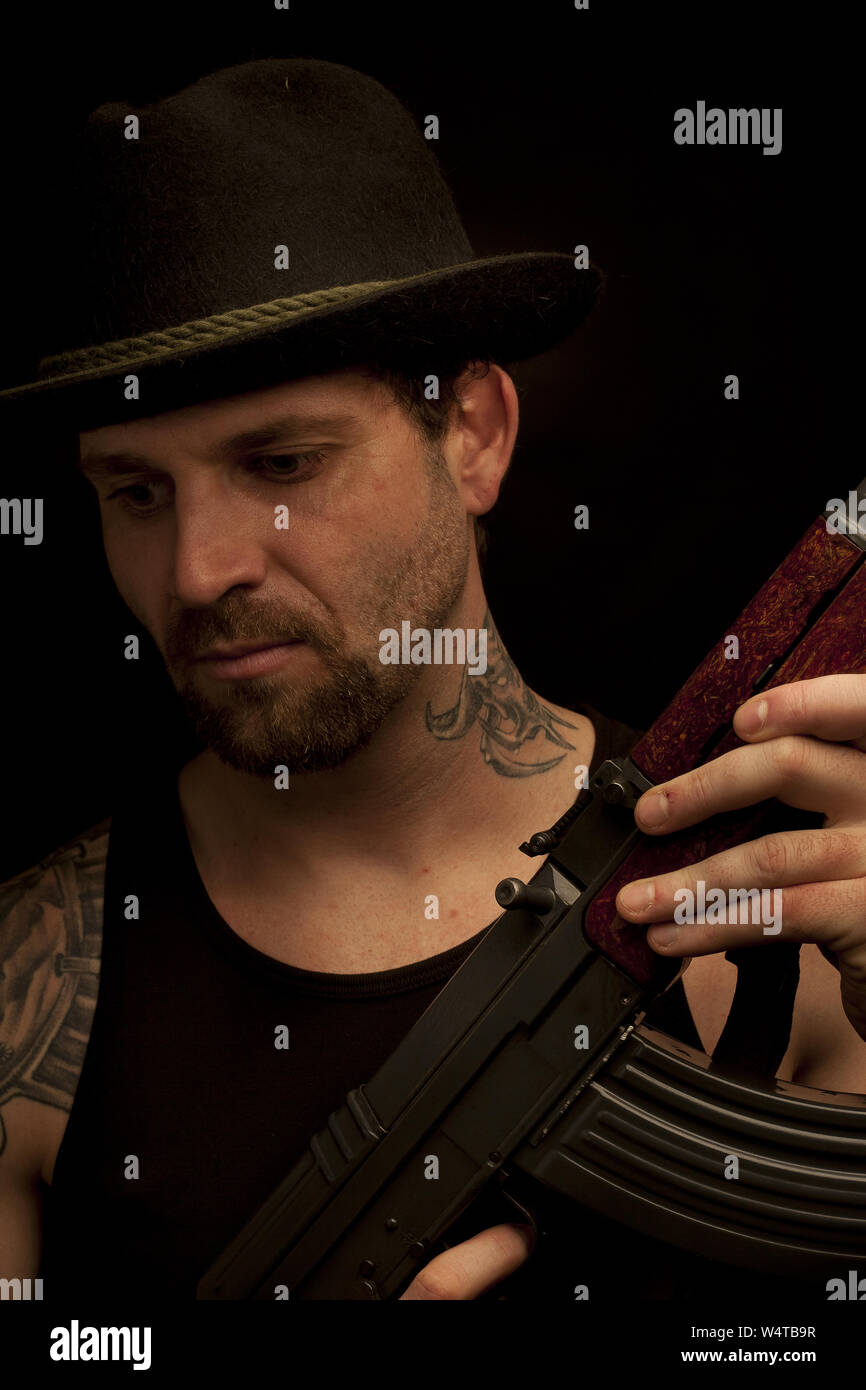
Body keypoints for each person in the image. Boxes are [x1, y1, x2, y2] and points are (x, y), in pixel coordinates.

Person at [1, 58, 864, 1304]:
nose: (196, 571)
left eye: (281, 460)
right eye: (135, 492)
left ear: (472, 435)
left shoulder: (788, 917)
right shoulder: (34, 999)